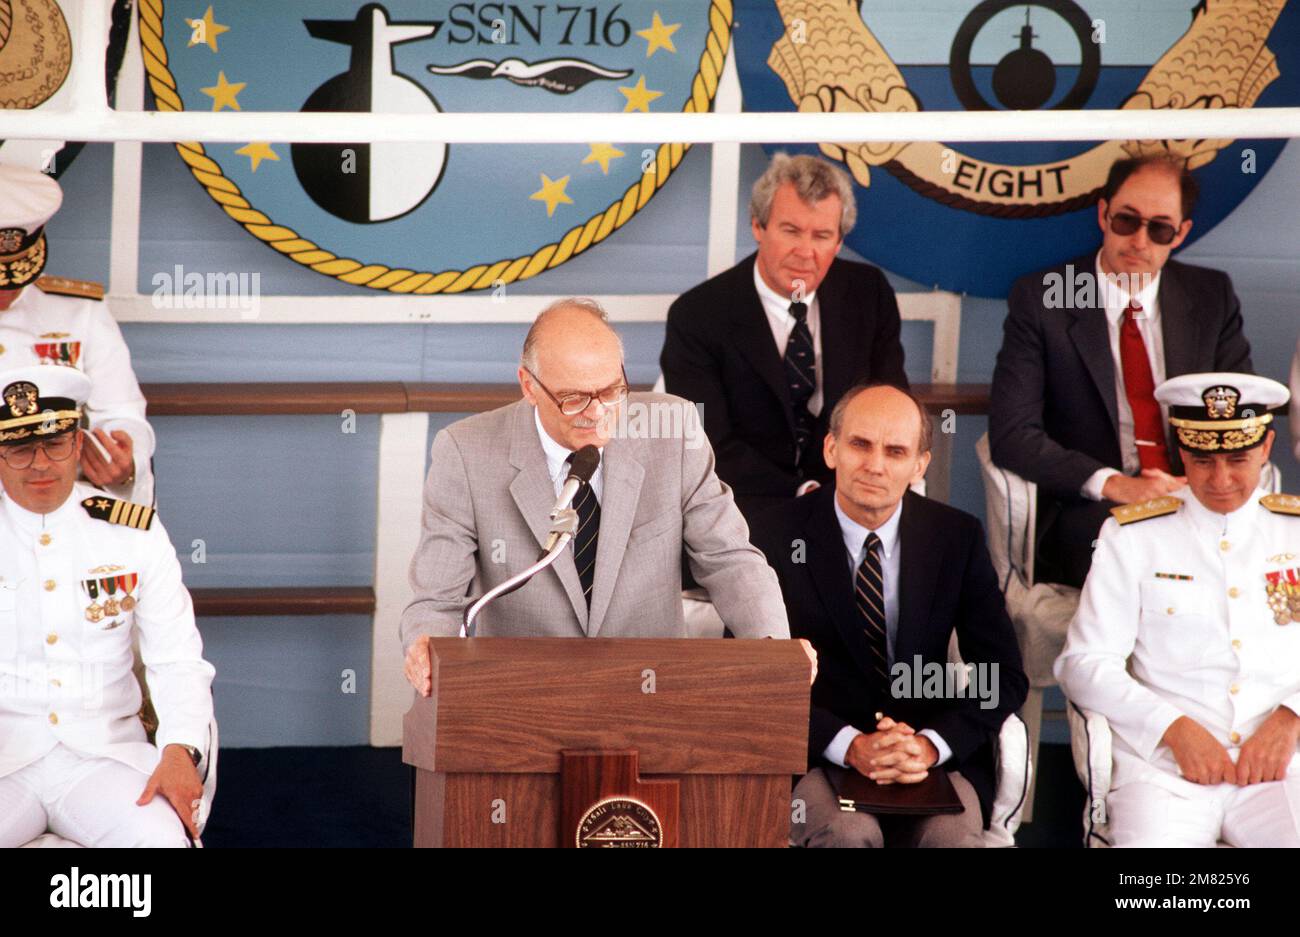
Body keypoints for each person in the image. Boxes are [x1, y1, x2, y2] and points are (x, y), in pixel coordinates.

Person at [402, 299, 812, 696]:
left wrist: (773, 645)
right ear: (528, 385)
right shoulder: (466, 451)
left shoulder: (673, 432)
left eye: (612, 391)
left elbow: (728, 558)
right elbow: (438, 598)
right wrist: (428, 648)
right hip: (521, 697)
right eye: (574, 398)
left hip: (651, 693)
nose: (597, 413)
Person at [754, 383, 1027, 847]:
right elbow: (749, 674)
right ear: (831, 447)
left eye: (895, 451)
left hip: (927, 752)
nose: (875, 465)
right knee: (847, 833)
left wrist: (929, 745)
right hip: (817, 752)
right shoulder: (773, 535)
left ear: (919, 465)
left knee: (952, 838)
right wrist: (849, 745)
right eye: (860, 444)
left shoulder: (956, 537)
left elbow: (1002, 675)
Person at [1056, 372, 1300, 847]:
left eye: (1238, 459)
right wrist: (1171, 728)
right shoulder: (1134, 535)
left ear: (1267, 446)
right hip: (1165, 772)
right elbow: (1082, 663)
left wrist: (1292, 717)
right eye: (1203, 460)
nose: (1221, 479)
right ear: (1181, 451)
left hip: (1282, 761)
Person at [990, 154, 1252, 588]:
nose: (1139, 241)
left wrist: (1197, 484)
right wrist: (1115, 484)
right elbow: (1012, 435)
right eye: (1127, 221)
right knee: (1145, 568)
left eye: (1160, 228)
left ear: (1181, 234)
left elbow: (1239, 415)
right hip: (1090, 511)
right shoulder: (1043, 299)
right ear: (1103, 214)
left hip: (1197, 495)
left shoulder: (1211, 296)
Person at [0, 362, 214, 847]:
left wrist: (181, 750)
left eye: (54, 444)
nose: (40, 463)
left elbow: (177, 659)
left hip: (103, 756)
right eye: (19, 449)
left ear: (78, 443)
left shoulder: (132, 531)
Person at [661, 153, 907, 528]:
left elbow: (891, 407)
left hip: (851, 502)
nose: (805, 252)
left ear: (839, 242)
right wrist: (805, 493)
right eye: (791, 231)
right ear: (758, 226)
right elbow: (708, 443)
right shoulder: (697, 315)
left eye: (822, 236)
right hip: (742, 507)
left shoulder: (869, 293)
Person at [0, 163, 156, 505]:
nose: (5, 295)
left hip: (56, 505)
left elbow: (122, 411)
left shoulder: (81, 311)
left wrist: (125, 462)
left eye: (16, 279)